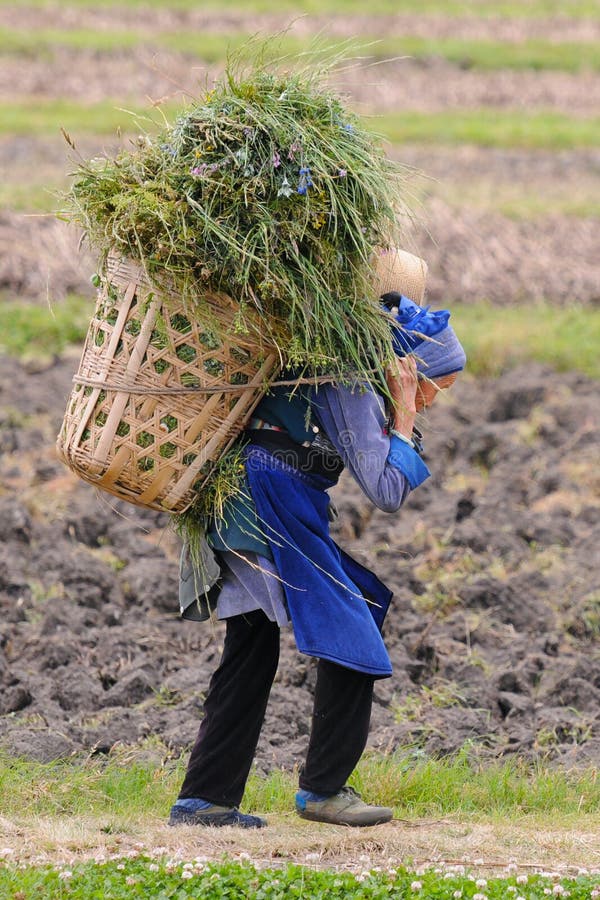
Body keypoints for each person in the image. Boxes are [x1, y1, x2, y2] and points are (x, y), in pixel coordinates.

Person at [169, 249, 466, 828]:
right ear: (409, 366)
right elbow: (383, 488)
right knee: (352, 627)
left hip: (254, 498)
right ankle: (324, 789)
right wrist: (403, 421)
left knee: (251, 646)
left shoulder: (326, 357)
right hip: (270, 501)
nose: (433, 399)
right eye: (435, 387)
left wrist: (400, 420)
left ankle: (204, 802)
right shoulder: (345, 375)